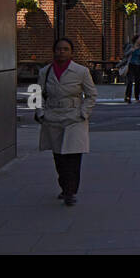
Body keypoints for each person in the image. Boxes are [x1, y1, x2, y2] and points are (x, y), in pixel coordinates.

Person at [37, 37, 97, 205]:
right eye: (58, 49)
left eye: (65, 49)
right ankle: (64, 187)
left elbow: (91, 94)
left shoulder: (81, 71)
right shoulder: (45, 71)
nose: (61, 52)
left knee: (72, 155)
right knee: (59, 157)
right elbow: (36, 93)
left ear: (71, 52)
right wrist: (40, 112)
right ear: (54, 51)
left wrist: (83, 113)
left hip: (74, 117)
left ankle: (70, 191)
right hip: (53, 116)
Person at [117, 33, 140, 104]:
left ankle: (137, 97)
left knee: (137, 82)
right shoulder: (130, 46)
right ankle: (128, 96)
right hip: (130, 65)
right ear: (136, 39)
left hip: (138, 65)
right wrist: (131, 50)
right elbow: (125, 54)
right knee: (130, 81)